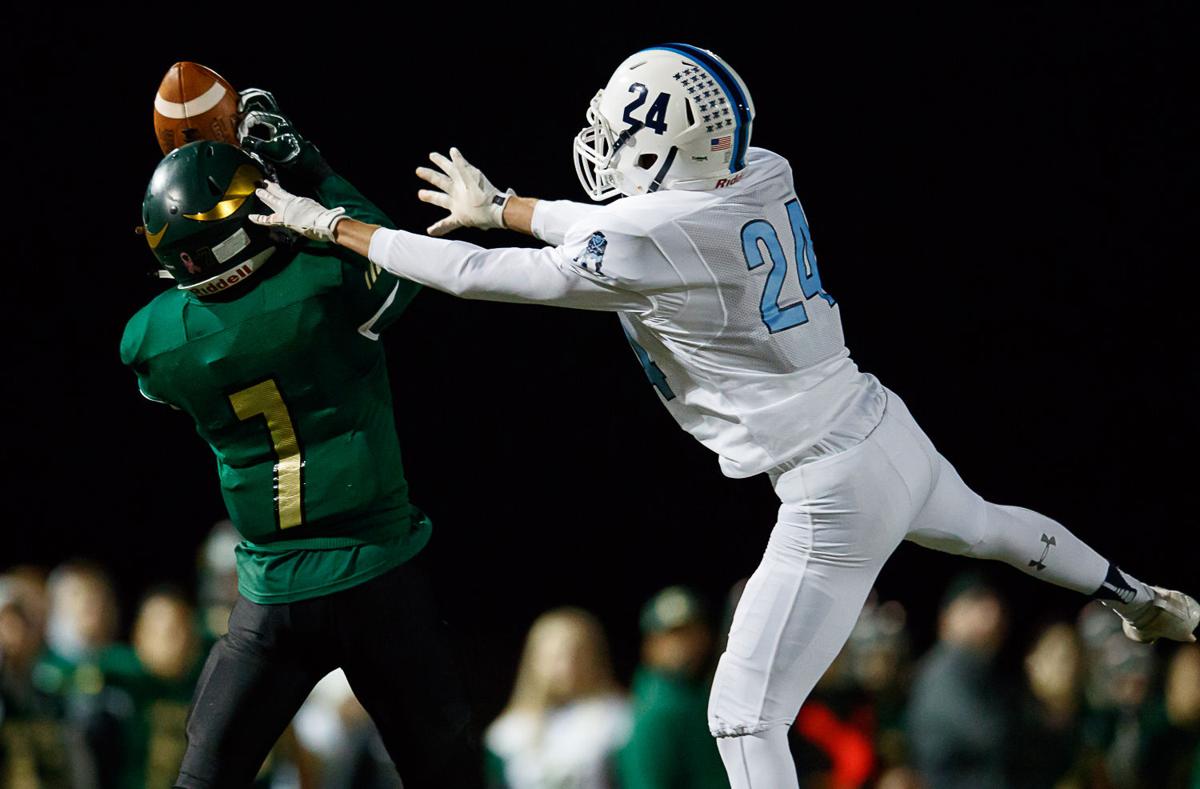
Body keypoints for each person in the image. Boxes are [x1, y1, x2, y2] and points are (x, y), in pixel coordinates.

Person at [249, 43, 1200, 788]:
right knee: (989, 525)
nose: (603, 149)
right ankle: (1134, 595)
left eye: (622, 137)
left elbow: (476, 274)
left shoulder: (656, 234)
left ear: (666, 150)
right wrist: (506, 203)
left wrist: (328, 222)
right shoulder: (760, 170)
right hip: (878, 417)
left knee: (742, 718)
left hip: (829, 481)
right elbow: (615, 224)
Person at [121, 127, 478, 786]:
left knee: (204, 776)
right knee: (448, 772)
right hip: (379, 575)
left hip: (270, 599)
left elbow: (195, 335)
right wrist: (306, 164)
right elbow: (398, 255)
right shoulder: (321, 285)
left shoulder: (155, 339)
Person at [485, 608, 630, 789]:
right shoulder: (508, 734)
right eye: (555, 656)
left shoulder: (619, 719)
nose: (567, 667)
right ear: (534, 660)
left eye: (578, 655)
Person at [618, 586, 728, 789]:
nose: (686, 644)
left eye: (693, 631)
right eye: (674, 635)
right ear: (651, 644)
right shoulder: (656, 709)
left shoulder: (699, 692)